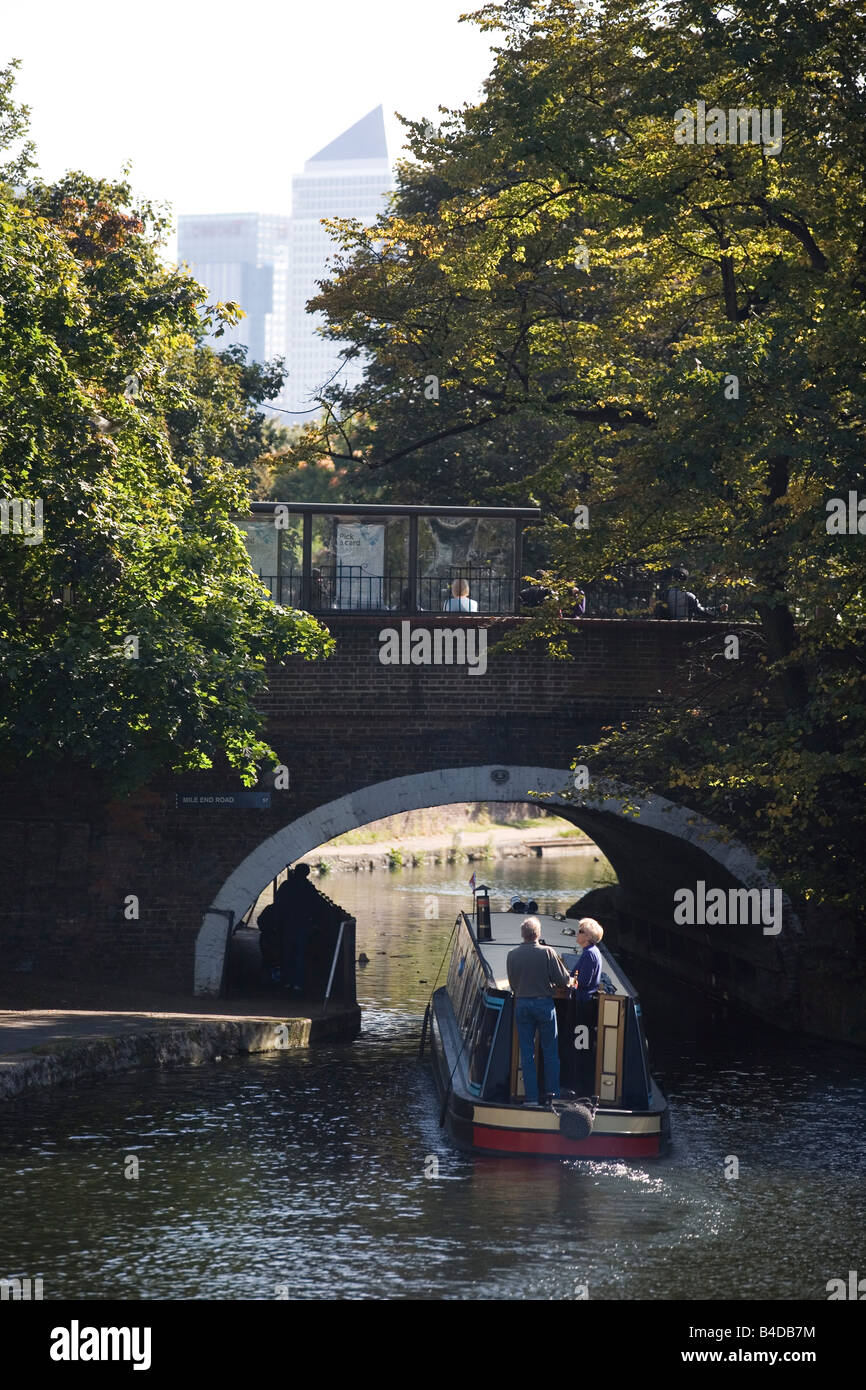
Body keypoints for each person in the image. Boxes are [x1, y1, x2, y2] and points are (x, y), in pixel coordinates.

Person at [506, 916, 572, 1106]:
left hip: (522, 1004)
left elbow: (512, 984)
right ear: (538, 934)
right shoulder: (547, 952)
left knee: (527, 1054)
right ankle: (553, 1097)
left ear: (522, 934)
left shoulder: (512, 954)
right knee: (550, 1052)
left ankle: (531, 1099)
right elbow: (562, 980)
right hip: (544, 1005)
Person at [273, 864, 320, 994]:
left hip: (287, 923)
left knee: (287, 953)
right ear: (306, 873)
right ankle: (298, 983)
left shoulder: (286, 886)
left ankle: (287, 981)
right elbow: (315, 905)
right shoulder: (308, 888)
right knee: (300, 954)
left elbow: (278, 903)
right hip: (302, 924)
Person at [571, 918, 604, 1093]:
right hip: (585, 1002)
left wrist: (569, 982)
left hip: (584, 1004)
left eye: (581, 931)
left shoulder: (589, 954)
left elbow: (582, 981)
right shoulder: (590, 952)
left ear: (588, 936)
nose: (578, 934)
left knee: (581, 1046)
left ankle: (582, 1087)